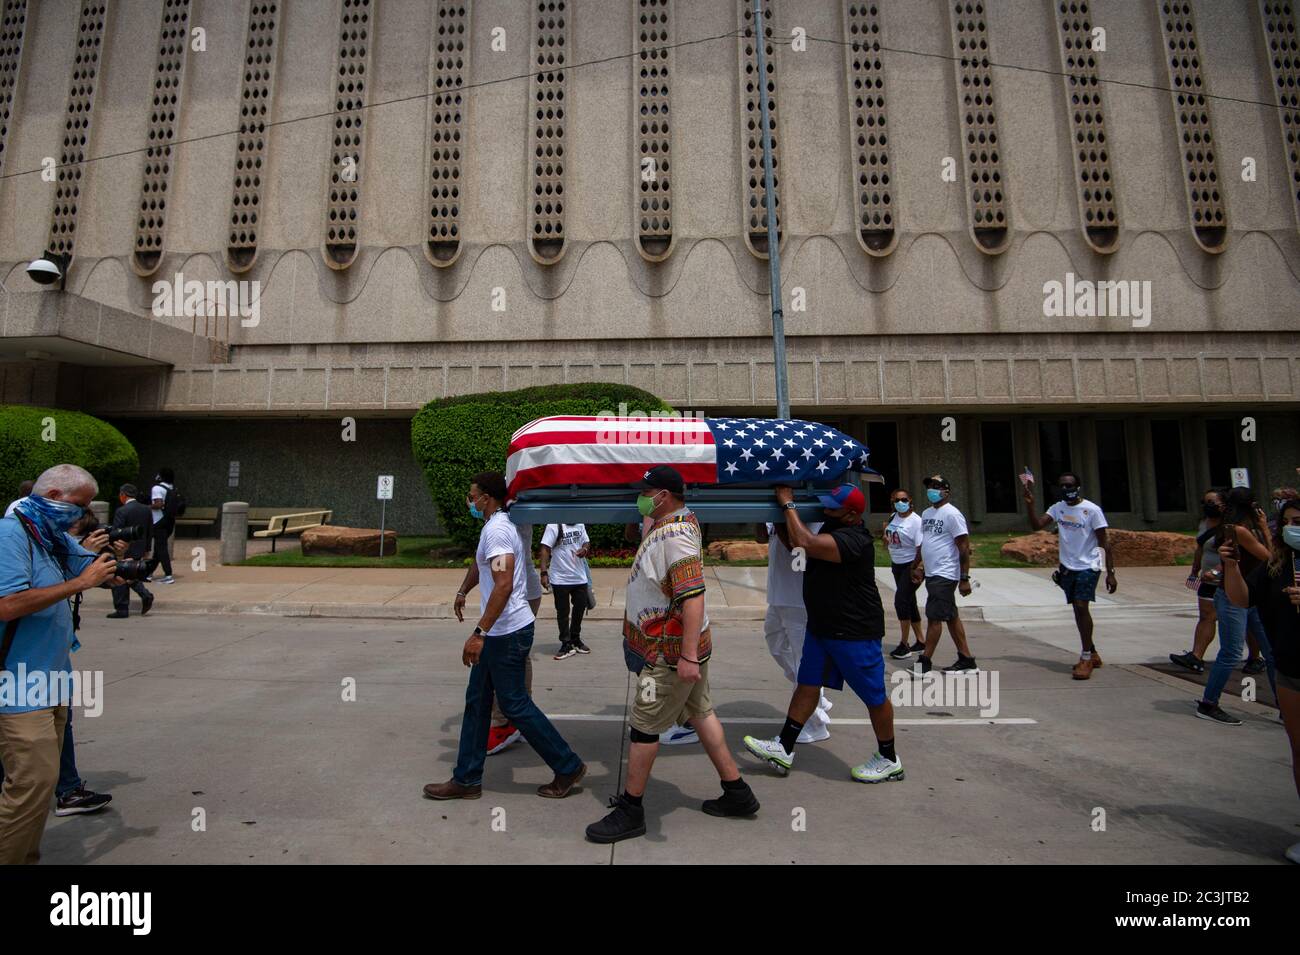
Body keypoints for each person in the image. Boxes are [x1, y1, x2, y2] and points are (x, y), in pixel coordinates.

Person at [586, 466, 758, 843]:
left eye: (647, 492)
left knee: (645, 725)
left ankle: (631, 811)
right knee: (701, 712)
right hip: (678, 647)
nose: (641, 497)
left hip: (668, 653)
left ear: (664, 495)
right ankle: (738, 794)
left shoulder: (676, 536)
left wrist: (688, 656)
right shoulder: (680, 519)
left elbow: (692, 596)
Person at [424, 472, 586, 801]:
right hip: (501, 630)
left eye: (473, 495)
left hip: (506, 632)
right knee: (478, 702)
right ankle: (467, 778)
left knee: (514, 704)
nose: (470, 501)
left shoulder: (498, 529)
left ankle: (567, 765)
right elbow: (479, 562)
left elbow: (504, 584)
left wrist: (479, 632)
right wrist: (463, 589)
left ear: (488, 497)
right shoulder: (494, 526)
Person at [0, 465, 120, 863]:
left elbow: (86, 566)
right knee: (32, 782)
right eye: (80, 504)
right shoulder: (10, 536)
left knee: (40, 783)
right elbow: (7, 605)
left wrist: (111, 572)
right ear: (53, 494)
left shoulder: (47, 535)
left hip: (49, 683)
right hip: (16, 687)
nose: (83, 514)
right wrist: (81, 584)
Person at [744, 483, 902, 784]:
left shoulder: (854, 540)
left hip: (853, 630)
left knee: (874, 696)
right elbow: (794, 542)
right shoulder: (833, 524)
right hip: (822, 625)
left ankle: (889, 758)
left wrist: (787, 504)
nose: (826, 509)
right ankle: (784, 747)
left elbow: (803, 542)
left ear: (853, 514)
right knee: (807, 684)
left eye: (833, 507)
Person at [1219, 497, 1300, 864]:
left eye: (1299, 519)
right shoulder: (1277, 566)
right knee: (1299, 752)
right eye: (1289, 521)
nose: (1294, 526)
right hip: (1291, 670)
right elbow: (1241, 599)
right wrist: (1231, 566)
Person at [1022, 472, 1116, 679]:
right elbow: (1038, 525)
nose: (1066, 489)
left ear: (1079, 487)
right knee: (1077, 608)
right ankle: (1092, 651)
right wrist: (1030, 505)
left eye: (1070, 485)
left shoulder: (1092, 510)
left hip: (1089, 565)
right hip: (1067, 567)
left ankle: (1085, 658)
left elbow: (1104, 543)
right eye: (1062, 486)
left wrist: (1110, 573)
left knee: (1082, 606)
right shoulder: (1058, 508)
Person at [1196, 487, 1276, 726]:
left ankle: (1284, 706)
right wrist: (1264, 527)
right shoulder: (1241, 530)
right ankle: (1209, 703)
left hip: (1250, 595)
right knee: (1231, 652)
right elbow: (1270, 558)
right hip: (1233, 597)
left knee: (1271, 652)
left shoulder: (1231, 527)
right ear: (1253, 507)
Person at [754, 518, 832, 742]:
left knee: (803, 662)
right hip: (778, 594)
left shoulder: (808, 515)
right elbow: (761, 537)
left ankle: (815, 724)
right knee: (776, 644)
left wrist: (780, 517)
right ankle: (816, 694)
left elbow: (798, 545)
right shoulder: (778, 513)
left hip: (800, 598)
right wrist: (759, 514)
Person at [625, 514, 698, 747]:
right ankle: (733, 783)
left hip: (660, 620)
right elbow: (634, 540)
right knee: (699, 706)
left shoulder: (675, 529)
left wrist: (689, 654)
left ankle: (660, 727)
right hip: (644, 612)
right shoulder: (652, 516)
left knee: (653, 684)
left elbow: (693, 594)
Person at [912, 475, 976, 673]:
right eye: (930, 486)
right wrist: (918, 566)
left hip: (946, 573)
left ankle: (924, 661)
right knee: (950, 616)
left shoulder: (952, 514)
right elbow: (926, 542)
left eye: (936, 486)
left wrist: (964, 578)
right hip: (932, 572)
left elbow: (964, 547)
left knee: (934, 617)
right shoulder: (927, 513)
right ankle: (966, 659)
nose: (931, 490)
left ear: (947, 491)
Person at [1170, 488, 1228, 674]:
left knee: (1244, 620)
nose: (1207, 507)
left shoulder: (1231, 526)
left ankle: (1255, 656)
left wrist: (1217, 571)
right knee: (1206, 616)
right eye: (1205, 503)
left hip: (1226, 579)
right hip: (1207, 579)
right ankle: (1196, 656)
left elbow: (1235, 554)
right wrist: (1195, 569)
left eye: (1212, 503)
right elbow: (1200, 548)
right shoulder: (1204, 523)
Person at [883, 489, 926, 660]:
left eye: (904, 499)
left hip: (911, 565)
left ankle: (904, 644)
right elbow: (889, 539)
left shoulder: (916, 521)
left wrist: (917, 568)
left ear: (910, 500)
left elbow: (920, 548)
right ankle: (921, 641)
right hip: (897, 565)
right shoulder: (894, 517)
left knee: (901, 601)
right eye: (896, 500)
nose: (900, 502)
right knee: (909, 601)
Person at [539, 523, 591, 659]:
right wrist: (543, 572)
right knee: (562, 612)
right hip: (560, 578)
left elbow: (586, 541)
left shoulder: (579, 524)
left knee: (579, 608)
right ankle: (565, 643)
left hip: (579, 577)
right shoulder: (553, 525)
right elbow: (545, 548)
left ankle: (575, 639)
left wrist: (584, 550)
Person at [106, 484, 154, 619]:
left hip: (124, 548)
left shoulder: (122, 511)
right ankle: (144, 595)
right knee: (130, 575)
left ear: (123, 495)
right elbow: (150, 530)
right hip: (140, 548)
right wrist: (147, 548)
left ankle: (122, 607)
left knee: (119, 575)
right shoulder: (146, 509)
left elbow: (117, 532)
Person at [149, 468, 178, 584]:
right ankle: (148, 573)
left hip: (159, 521)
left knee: (161, 548)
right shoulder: (172, 488)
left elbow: (159, 504)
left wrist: (146, 507)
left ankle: (168, 575)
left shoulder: (157, 488)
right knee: (158, 549)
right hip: (169, 521)